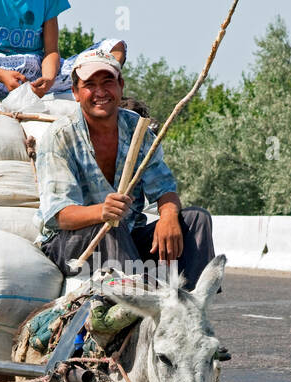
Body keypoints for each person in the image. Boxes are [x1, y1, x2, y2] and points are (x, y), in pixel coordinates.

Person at [36, 50, 215, 287]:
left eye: (107, 82)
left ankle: (188, 308)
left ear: (120, 85)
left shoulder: (137, 130)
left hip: (127, 240)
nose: (100, 92)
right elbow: (59, 215)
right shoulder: (60, 136)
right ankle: (134, 309)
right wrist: (102, 211)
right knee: (110, 226)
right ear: (76, 93)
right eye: (90, 85)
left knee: (196, 220)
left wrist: (168, 215)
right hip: (71, 246)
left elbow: (164, 188)